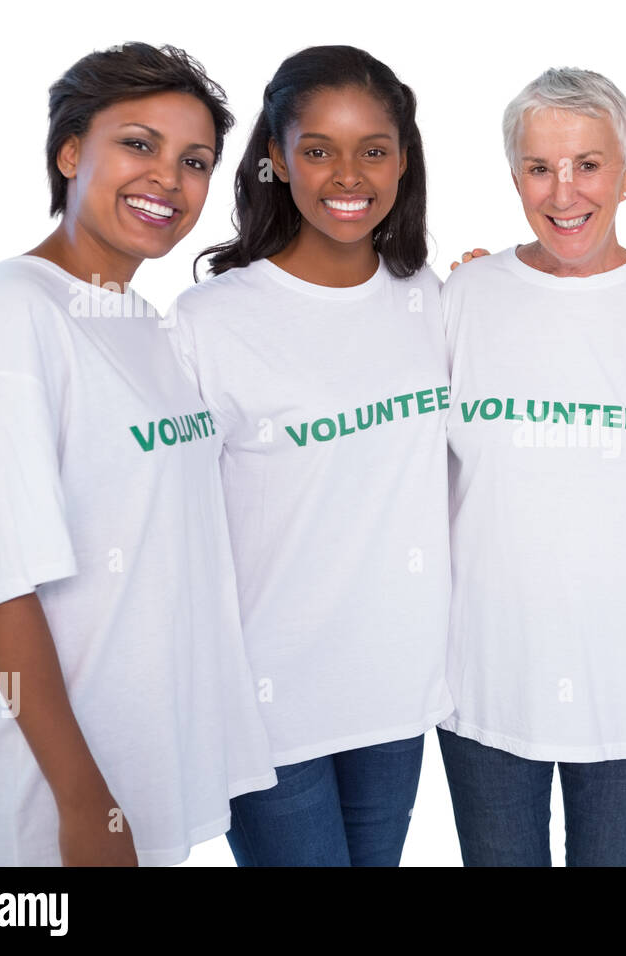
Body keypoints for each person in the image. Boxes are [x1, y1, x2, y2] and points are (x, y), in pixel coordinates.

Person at [0, 42, 276, 866]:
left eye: (194, 161)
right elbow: (4, 577)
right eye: (138, 144)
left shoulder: (145, 327)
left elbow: (109, 524)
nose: (169, 180)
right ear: (70, 151)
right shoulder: (10, 312)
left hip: (142, 772)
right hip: (46, 805)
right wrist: (86, 809)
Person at [169, 45, 450, 866]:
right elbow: (150, 504)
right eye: (318, 149)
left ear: (404, 161)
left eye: (374, 149)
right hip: (265, 708)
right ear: (276, 161)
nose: (347, 174)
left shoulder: (432, 301)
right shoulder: (209, 321)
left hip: (396, 698)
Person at [438, 67, 626, 866]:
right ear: (515, 176)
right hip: (482, 690)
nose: (563, 192)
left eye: (588, 165)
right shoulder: (462, 298)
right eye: (539, 168)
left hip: (624, 690)